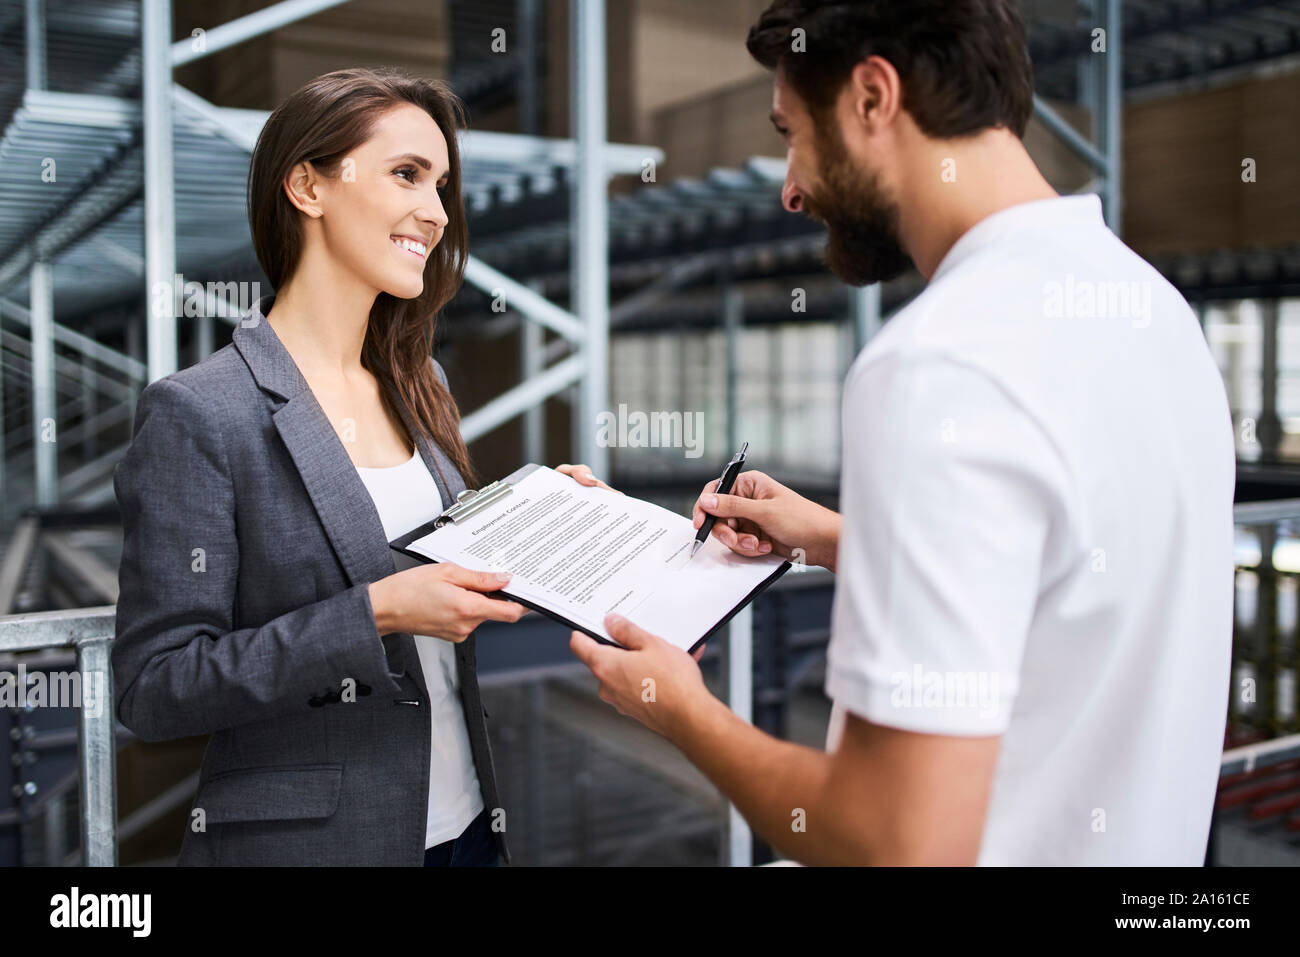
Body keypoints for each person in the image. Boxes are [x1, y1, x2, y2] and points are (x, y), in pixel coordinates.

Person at [569, 0, 1235, 865]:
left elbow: (897, 841)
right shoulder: (1150, 307)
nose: (791, 186)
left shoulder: (937, 361)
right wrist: (833, 538)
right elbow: (1075, 577)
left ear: (874, 97)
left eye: (790, 133)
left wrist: (682, 709)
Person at [111, 67, 610, 866]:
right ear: (308, 185)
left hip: (471, 826)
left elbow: (441, 570)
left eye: (442, 185)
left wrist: (538, 519)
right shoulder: (202, 411)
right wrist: (374, 613)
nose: (438, 213)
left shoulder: (421, 384)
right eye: (407, 174)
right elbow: (155, 686)